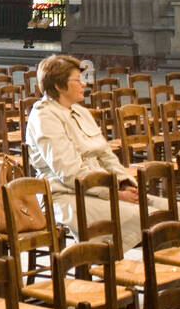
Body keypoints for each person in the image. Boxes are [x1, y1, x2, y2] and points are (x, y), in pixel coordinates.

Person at [24, 53, 162, 251]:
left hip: (101, 189)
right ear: (59, 85)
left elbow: (106, 156)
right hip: (66, 196)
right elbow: (70, 173)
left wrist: (124, 184)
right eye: (78, 81)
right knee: (146, 218)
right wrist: (113, 194)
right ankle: (113, 273)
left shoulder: (81, 111)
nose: (84, 85)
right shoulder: (44, 117)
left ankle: (167, 275)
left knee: (169, 211)